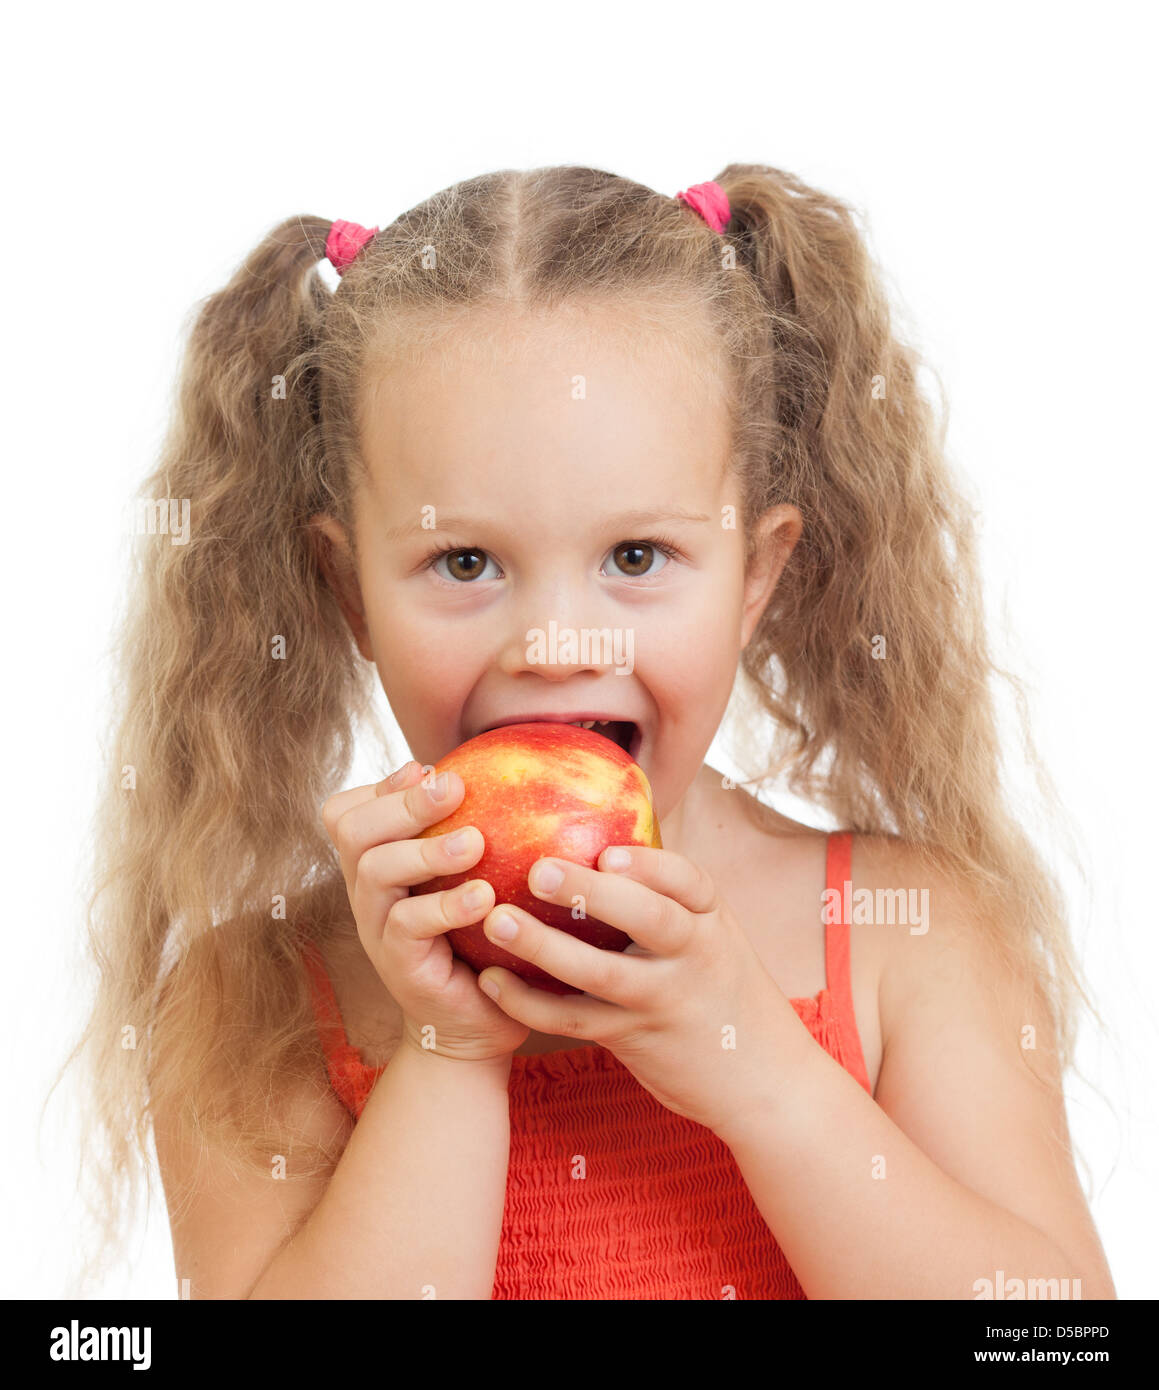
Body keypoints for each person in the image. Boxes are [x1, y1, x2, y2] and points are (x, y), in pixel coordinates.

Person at [63, 165, 1116, 1299]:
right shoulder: (260, 999)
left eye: (635, 558)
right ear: (349, 590)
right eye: (464, 562)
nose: (557, 641)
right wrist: (450, 1049)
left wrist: (757, 1065)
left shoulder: (908, 940)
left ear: (754, 578)